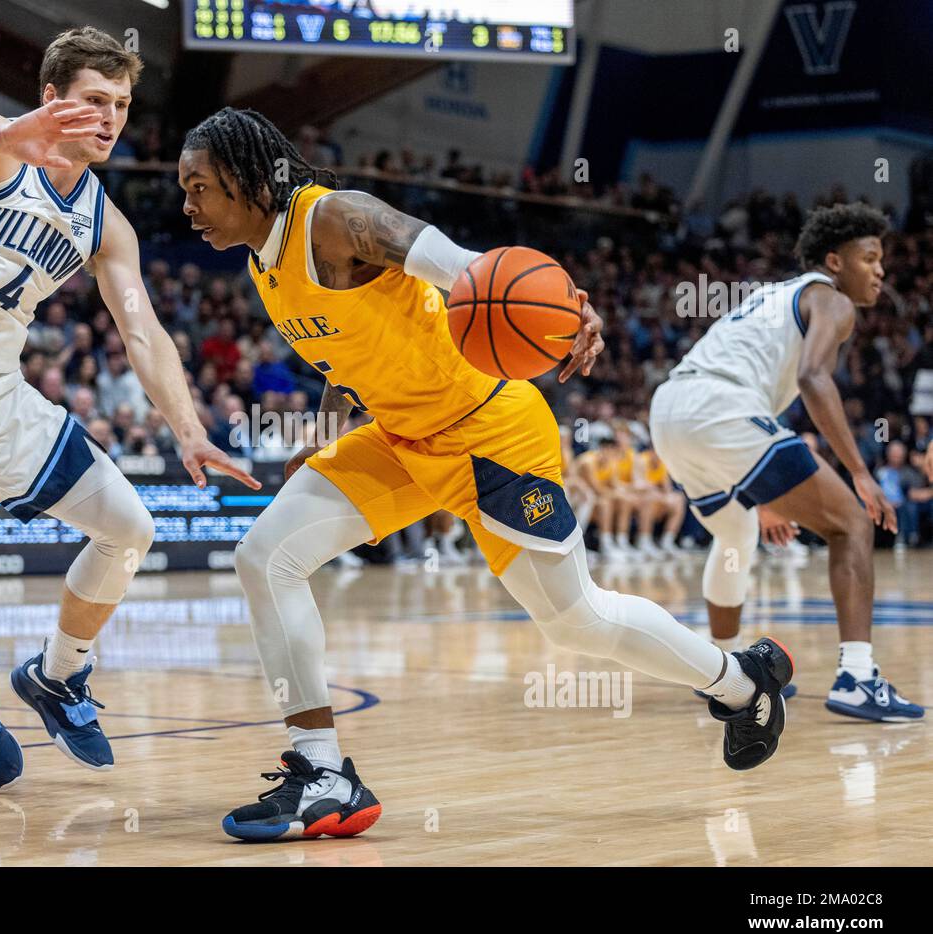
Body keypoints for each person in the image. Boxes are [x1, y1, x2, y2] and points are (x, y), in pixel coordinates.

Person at [179, 107, 794, 842]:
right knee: (266, 555)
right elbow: (346, 355)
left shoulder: (332, 219)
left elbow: (457, 261)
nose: (187, 206)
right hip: (402, 437)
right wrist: (323, 431)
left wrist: (566, 311)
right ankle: (324, 774)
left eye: (201, 187)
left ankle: (741, 679)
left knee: (576, 622)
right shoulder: (262, 262)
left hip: (491, 430)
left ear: (250, 182)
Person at [0, 27, 257, 790]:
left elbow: (141, 327)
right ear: (52, 99)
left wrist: (190, 429)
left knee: (131, 527)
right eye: (94, 100)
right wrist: (7, 132)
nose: (109, 117)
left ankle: (58, 673)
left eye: (123, 105)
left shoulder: (105, 222)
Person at [651, 202, 923, 722]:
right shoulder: (831, 299)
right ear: (835, 261)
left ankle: (724, 673)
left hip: (671, 412)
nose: (881, 270)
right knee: (851, 524)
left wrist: (764, 493)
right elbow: (813, 379)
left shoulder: (774, 296)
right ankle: (857, 679)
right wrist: (861, 475)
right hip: (722, 409)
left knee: (736, 533)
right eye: (869, 257)